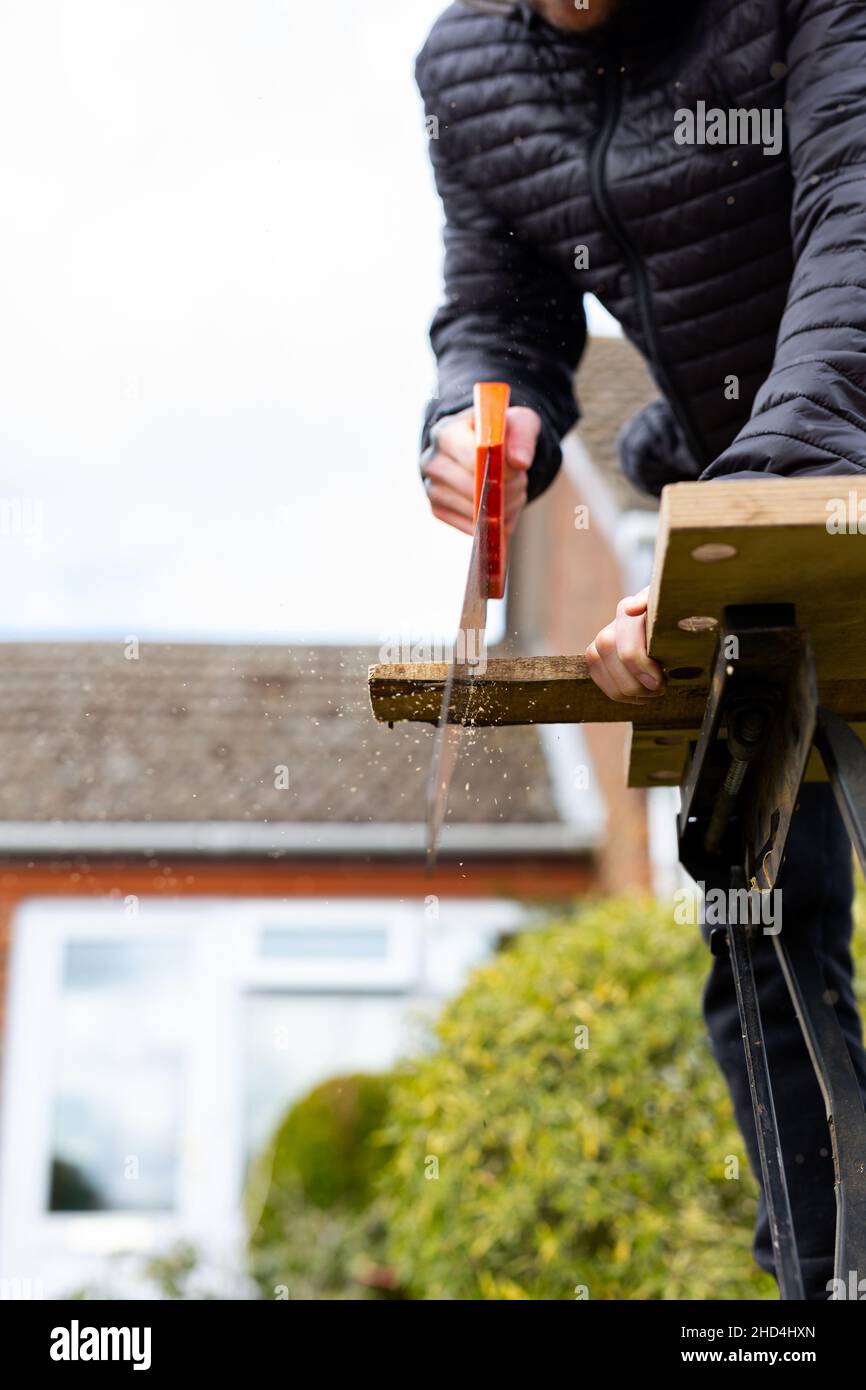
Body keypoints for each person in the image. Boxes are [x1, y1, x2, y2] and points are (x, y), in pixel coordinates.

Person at [415, 0, 866, 1299]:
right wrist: (476, 420)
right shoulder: (471, 66)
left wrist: (737, 535)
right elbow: (501, 308)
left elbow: (852, 230)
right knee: (756, 921)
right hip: (732, 492)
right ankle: (819, 1287)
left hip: (816, 460)